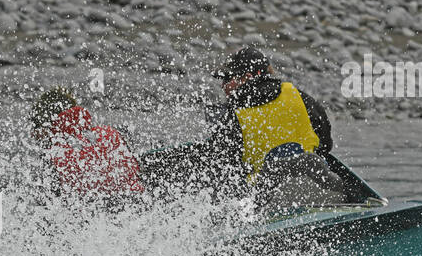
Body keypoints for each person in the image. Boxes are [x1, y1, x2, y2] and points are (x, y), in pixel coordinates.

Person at [141, 47, 336, 199]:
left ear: (248, 77)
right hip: (320, 189)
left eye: (228, 78)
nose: (223, 85)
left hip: (270, 199)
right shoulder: (300, 96)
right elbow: (326, 143)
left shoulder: (234, 113)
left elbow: (222, 162)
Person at [29, 88, 146, 208]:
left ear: (45, 126)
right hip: (136, 204)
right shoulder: (111, 134)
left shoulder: (54, 154)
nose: (32, 135)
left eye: (35, 127)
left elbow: (51, 206)